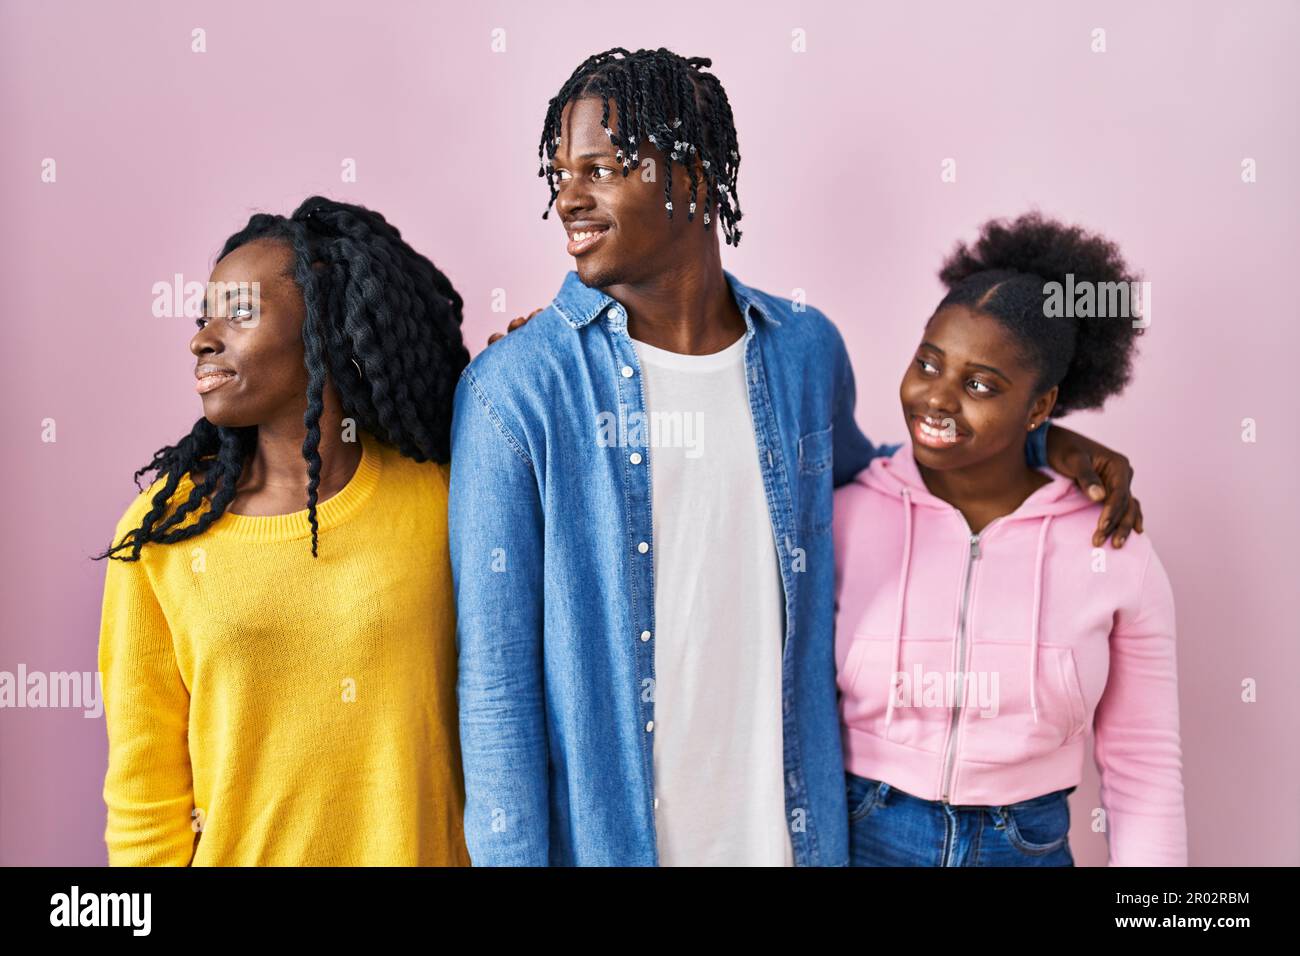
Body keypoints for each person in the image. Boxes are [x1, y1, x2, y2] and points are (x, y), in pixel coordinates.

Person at [451, 48, 1141, 866]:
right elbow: (495, 691)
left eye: (602, 167)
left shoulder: (804, 353)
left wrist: (1041, 439)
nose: (569, 196)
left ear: (697, 179)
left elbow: (880, 484)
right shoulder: (516, 391)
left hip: (795, 840)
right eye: (559, 172)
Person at [95, 197, 472, 865]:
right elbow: (142, 790)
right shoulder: (163, 532)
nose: (203, 337)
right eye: (203, 316)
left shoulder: (442, 495)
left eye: (238, 312)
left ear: (323, 327)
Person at [833, 212, 1185, 866]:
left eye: (980, 385)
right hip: (862, 833)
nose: (936, 399)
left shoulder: (1111, 544)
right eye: (928, 363)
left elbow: (1143, 766)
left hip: (1024, 843)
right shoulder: (845, 515)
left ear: (1040, 406)